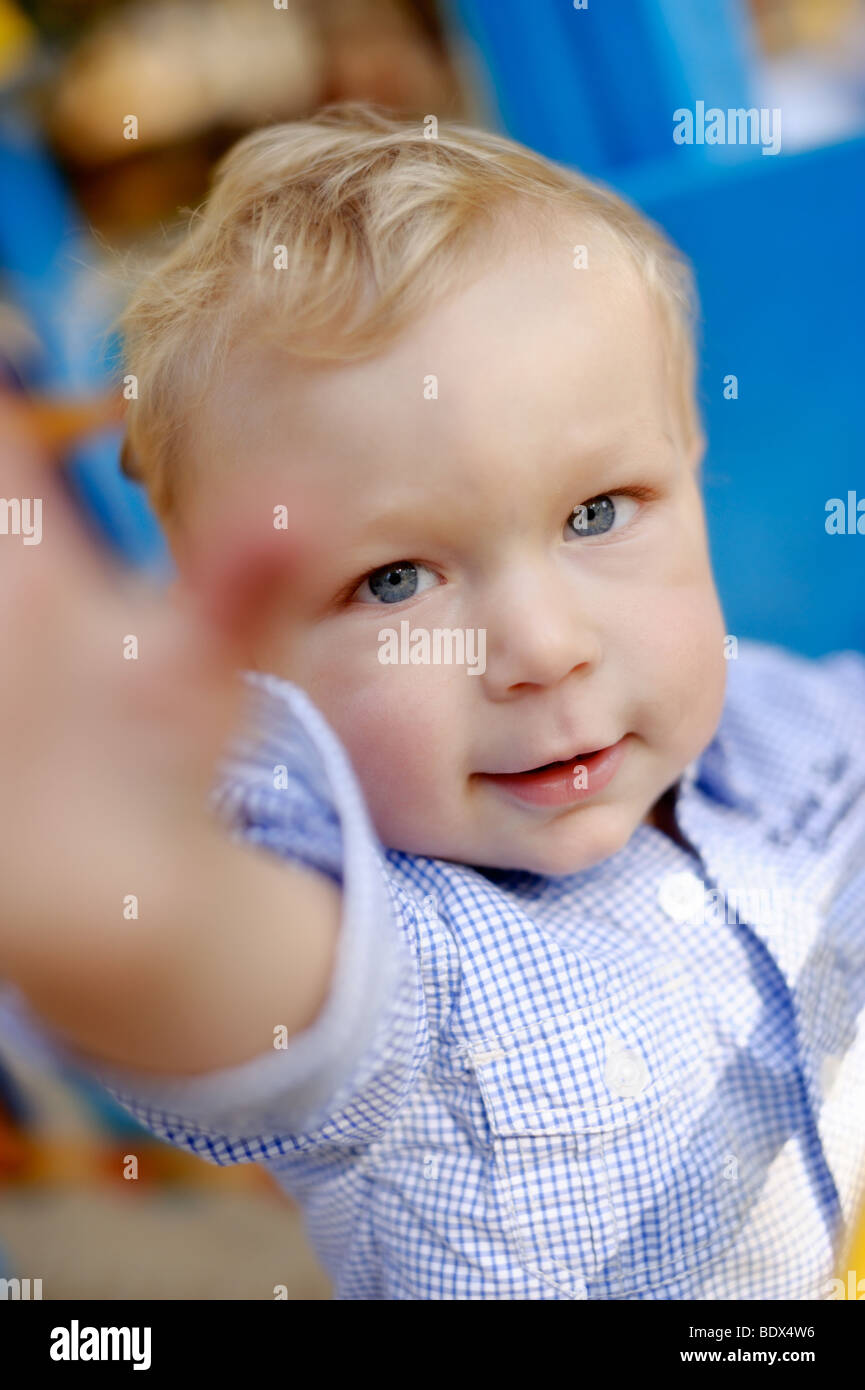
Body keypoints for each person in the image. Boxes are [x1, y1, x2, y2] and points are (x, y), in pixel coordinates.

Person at [1, 104, 863, 1301]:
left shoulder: (781, 735)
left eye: (598, 511)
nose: (543, 650)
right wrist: (125, 899)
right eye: (393, 580)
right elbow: (229, 971)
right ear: (260, 669)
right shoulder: (404, 962)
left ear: (690, 466)